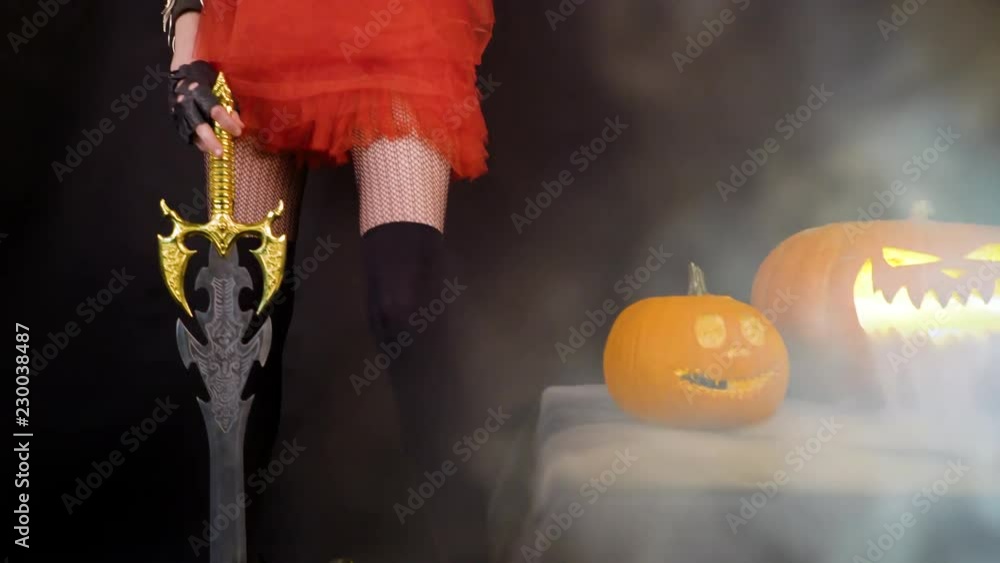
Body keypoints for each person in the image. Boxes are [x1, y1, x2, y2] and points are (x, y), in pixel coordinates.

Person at [162, 1, 494, 561]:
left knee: (404, 303)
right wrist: (185, 51)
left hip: (400, 25)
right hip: (253, 31)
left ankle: (469, 547)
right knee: (242, 324)